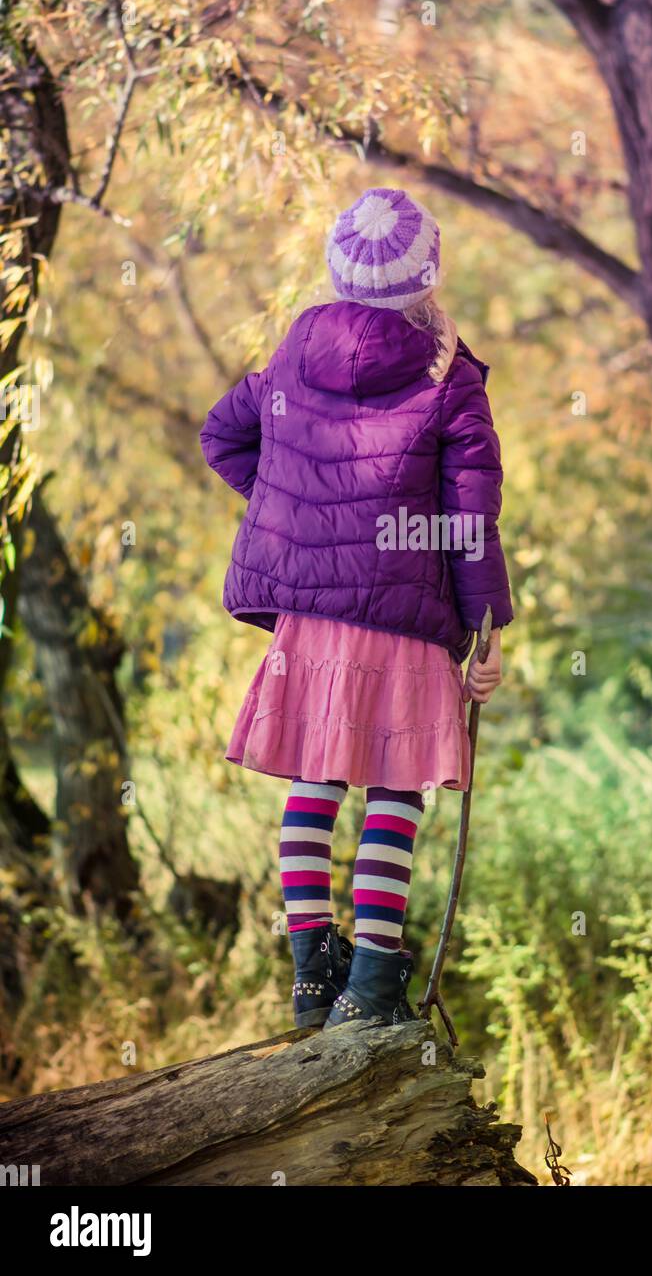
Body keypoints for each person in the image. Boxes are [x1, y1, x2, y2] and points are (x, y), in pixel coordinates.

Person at [200, 187, 513, 1028]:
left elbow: (222, 435)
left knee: (313, 785)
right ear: (429, 276)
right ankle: (372, 984)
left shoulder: (298, 348)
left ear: (339, 272)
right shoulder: (453, 375)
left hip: (311, 624)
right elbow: (469, 516)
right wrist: (486, 630)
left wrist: (295, 518)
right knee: (396, 794)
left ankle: (311, 974)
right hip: (406, 623)